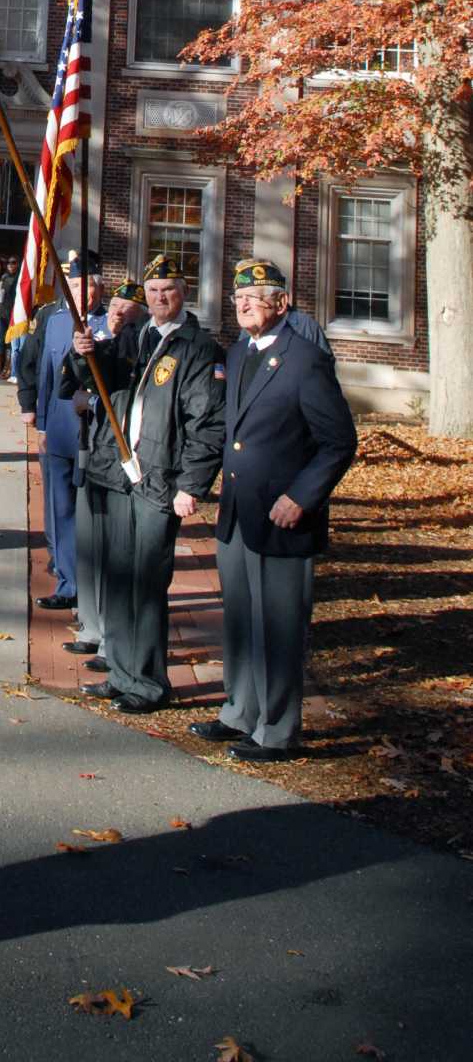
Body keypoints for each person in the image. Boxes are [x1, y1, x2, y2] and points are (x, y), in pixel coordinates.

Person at [190, 257, 357, 763]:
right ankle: (240, 710)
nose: (242, 306)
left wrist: (302, 497)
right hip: (240, 512)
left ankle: (278, 730)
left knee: (280, 626)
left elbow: (339, 442)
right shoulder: (240, 353)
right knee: (241, 619)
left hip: (284, 517)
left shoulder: (305, 359)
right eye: (237, 299)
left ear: (281, 304)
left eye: (253, 299)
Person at [70, 253, 225, 713]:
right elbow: (101, 382)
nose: (159, 298)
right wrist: (88, 352)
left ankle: (150, 682)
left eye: (168, 291)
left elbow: (208, 423)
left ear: (183, 294)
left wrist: (192, 485)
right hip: (119, 475)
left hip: (159, 479)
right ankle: (119, 671)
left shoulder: (198, 348)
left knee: (146, 582)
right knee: (118, 578)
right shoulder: (137, 337)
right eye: (153, 292)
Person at [62, 276, 145, 670]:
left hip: (121, 460)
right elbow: (69, 382)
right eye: (113, 310)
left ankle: (112, 638)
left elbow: (117, 380)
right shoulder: (97, 345)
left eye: (127, 315)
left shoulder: (135, 351)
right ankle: (91, 627)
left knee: (115, 554)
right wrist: (80, 358)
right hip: (90, 450)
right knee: (90, 547)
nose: (117, 317)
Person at [27, 250, 107, 610]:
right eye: (74, 284)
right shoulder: (56, 320)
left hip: (97, 433)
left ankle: (93, 585)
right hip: (59, 429)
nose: (81, 292)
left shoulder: (114, 322)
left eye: (87, 285)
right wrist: (41, 423)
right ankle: (67, 582)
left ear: (100, 288)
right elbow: (46, 373)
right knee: (59, 509)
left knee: (93, 512)